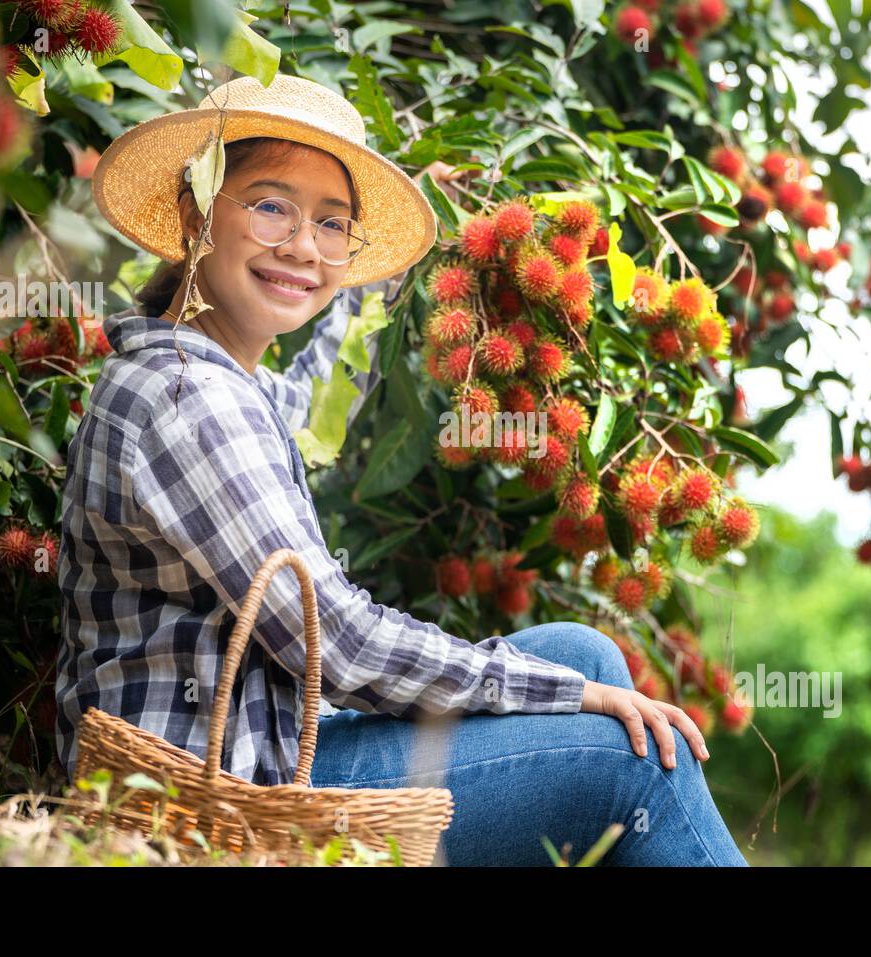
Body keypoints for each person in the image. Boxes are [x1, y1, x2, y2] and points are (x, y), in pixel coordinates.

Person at [55, 73, 748, 867]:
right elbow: (342, 644)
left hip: (267, 743)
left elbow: (316, 392)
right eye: (271, 206)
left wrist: (387, 277)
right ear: (194, 212)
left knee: (584, 652)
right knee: (636, 758)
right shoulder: (189, 399)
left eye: (332, 223)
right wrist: (561, 697)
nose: (305, 247)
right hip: (223, 801)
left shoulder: (209, 373)